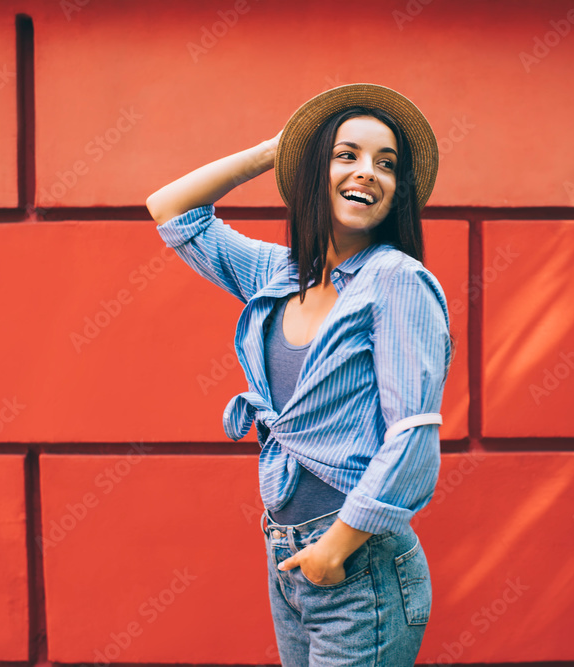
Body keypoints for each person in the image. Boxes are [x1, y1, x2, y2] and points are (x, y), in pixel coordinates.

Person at [146, 83, 453, 666]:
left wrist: (334, 549)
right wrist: (275, 152)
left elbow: (413, 439)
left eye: (386, 164)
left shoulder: (396, 281)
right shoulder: (280, 271)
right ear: (317, 169)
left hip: (357, 566)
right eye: (346, 155)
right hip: (288, 554)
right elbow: (170, 210)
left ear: (399, 190)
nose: (368, 172)